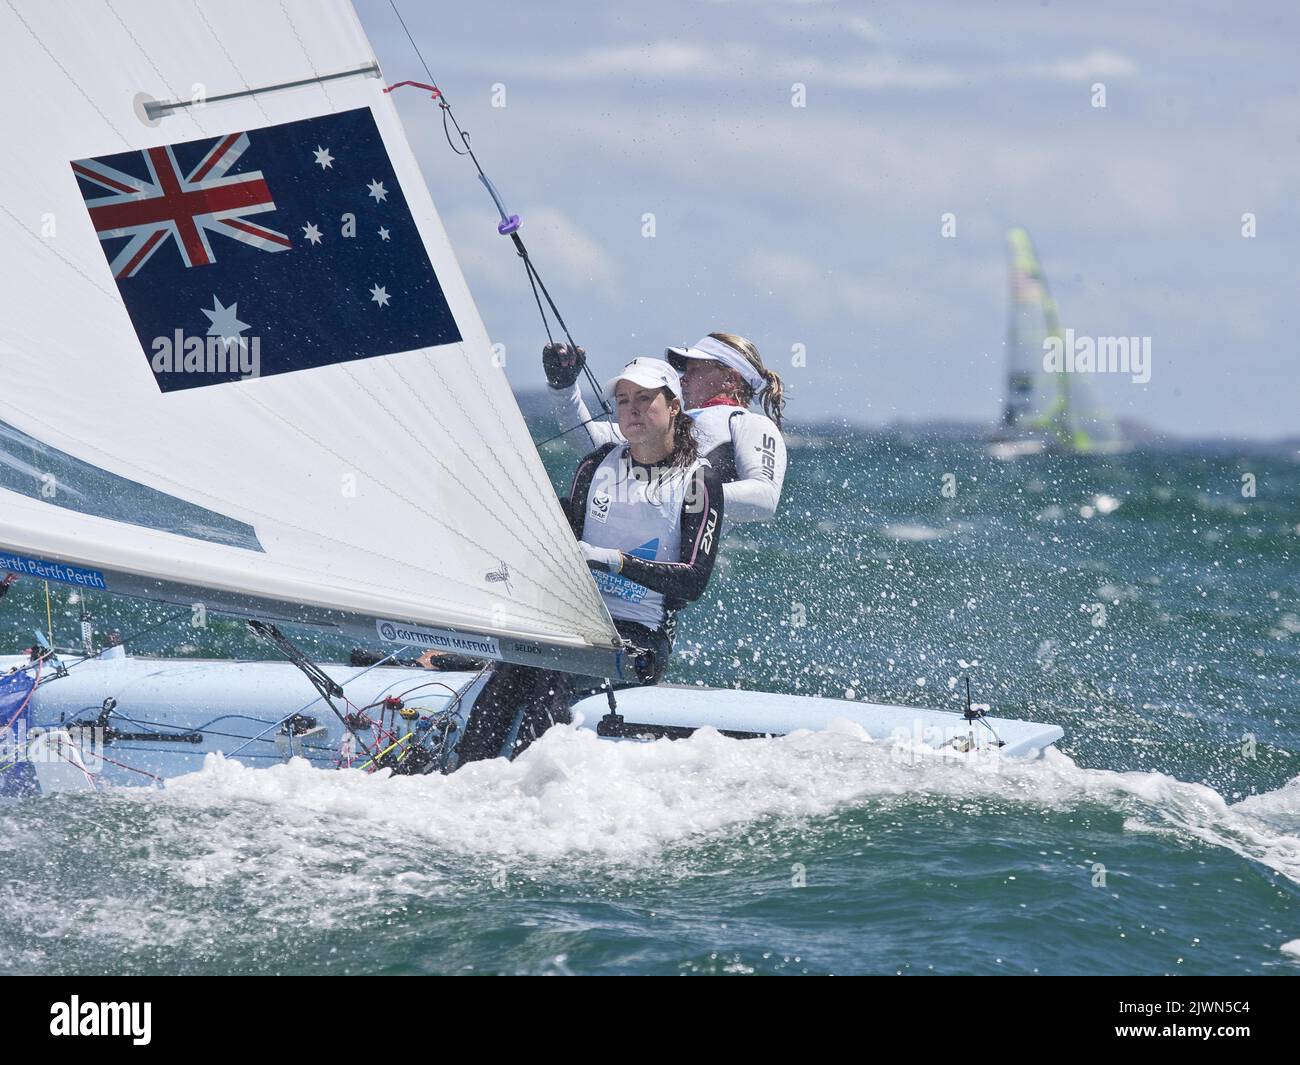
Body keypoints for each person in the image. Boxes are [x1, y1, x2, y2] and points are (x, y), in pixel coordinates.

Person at [455, 358, 724, 766]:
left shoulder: (697, 482)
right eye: (623, 400)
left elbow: (693, 581)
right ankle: (465, 781)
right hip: (575, 621)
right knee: (512, 670)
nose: (632, 409)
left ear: (674, 407)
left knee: (553, 673)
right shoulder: (596, 465)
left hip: (641, 637)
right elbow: (563, 545)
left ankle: (533, 787)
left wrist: (615, 561)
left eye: (645, 399)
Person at [544, 332, 788, 522]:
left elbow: (764, 499)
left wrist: (678, 493)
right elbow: (587, 439)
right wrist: (563, 388)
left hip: (667, 565)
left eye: (694, 370)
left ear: (730, 379)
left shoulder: (749, 423)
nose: (682, 379)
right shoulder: (667, 420)